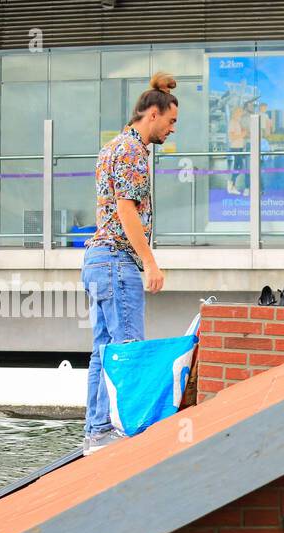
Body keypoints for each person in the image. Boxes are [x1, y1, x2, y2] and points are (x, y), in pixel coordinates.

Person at [81, 72, 178, 455]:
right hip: (116, 261)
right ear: (153, 114)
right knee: (128, 349)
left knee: (103, 351)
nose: (172, 129)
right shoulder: (133, 151)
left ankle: (97, 432)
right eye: (170, 121)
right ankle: (121, 433)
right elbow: (127, 211)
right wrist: (150, 263)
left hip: (97, 261)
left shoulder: (111, 147)